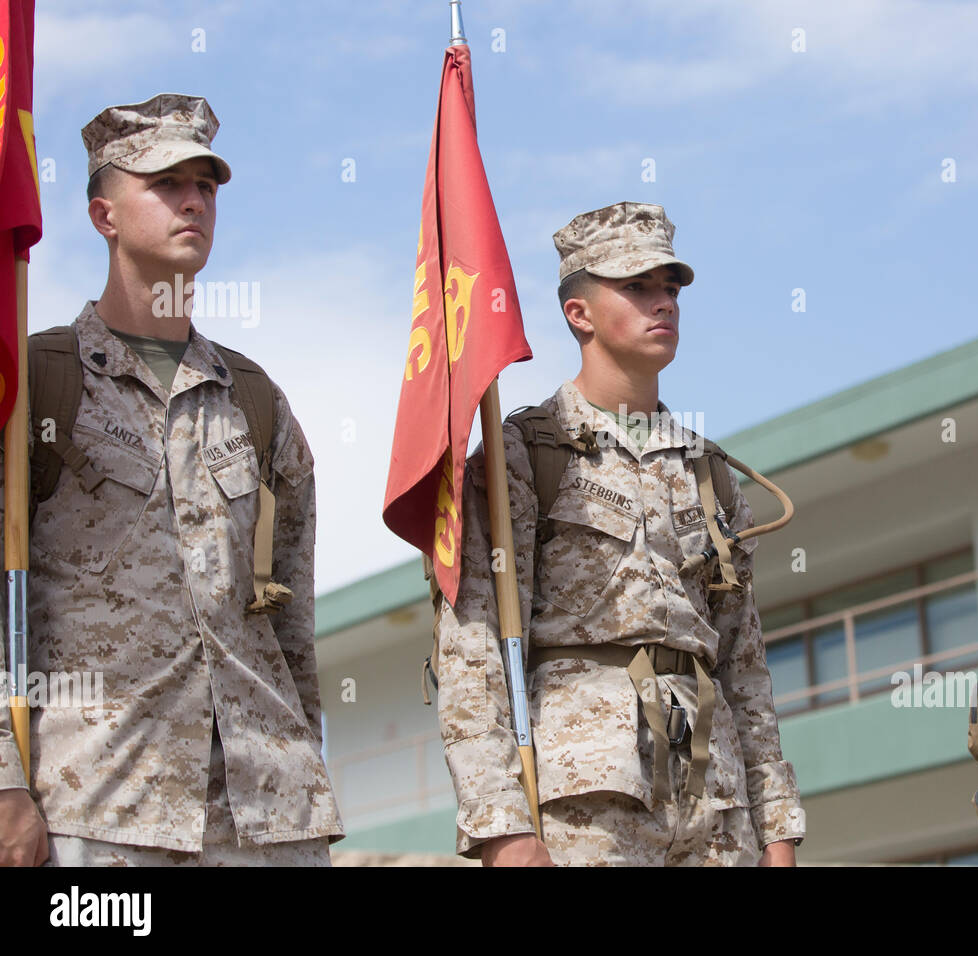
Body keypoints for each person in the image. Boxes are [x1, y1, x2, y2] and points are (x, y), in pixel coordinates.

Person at [0, 93, 342, 866]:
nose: (194, 201)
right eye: (165, 183)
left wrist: (305, 778)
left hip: (270, 820)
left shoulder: (255, 400)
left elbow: (288, 622)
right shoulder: (35, 383)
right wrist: (3, 784)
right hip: (100, 807)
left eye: (206, 185)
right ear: (104, 215)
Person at [432, 201, 805, 866]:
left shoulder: (709, 473)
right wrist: (501, 827)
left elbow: (743, 666)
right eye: (637, 286)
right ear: (579, 313)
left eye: (671, 288)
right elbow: (473, 651)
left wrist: (776, 827)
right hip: (587, 802)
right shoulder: (524, 455)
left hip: (714, 804)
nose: (663, 303)